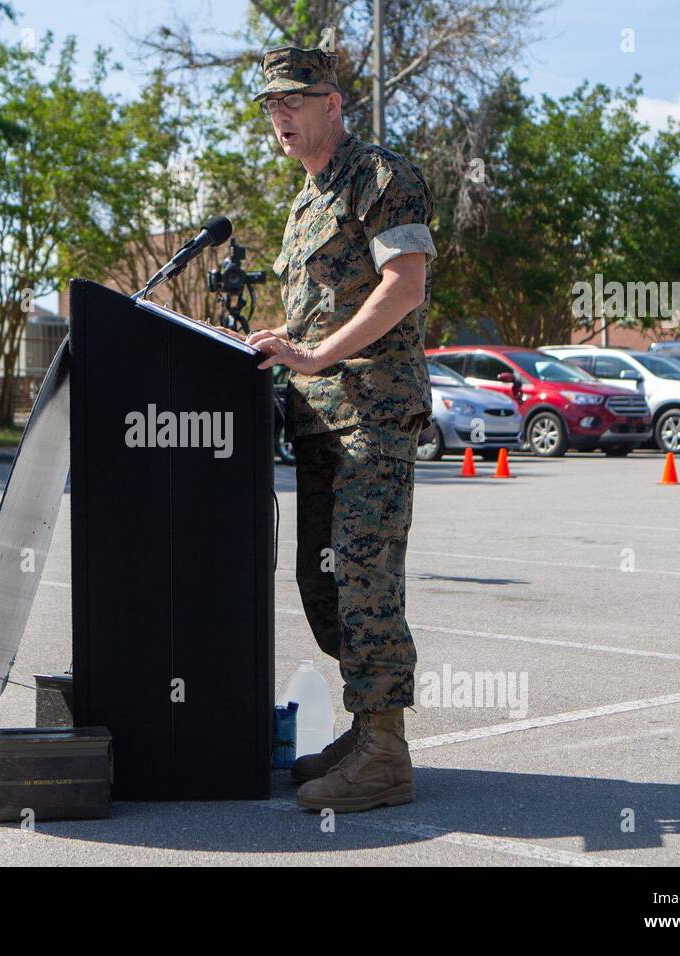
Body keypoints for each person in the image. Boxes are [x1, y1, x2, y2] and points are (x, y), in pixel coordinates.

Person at [247, 46, 436, 812]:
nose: (281, 115)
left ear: (334, 103)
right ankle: (365, 731)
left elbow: (405, 284)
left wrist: (317, 354)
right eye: (270, 105)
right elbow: (318, 311)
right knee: (321, 581)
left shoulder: (381, 178)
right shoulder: (306, 201)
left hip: (374, 416)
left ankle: (386, 752)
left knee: (364, 576)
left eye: (295, 100)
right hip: (321, 421)